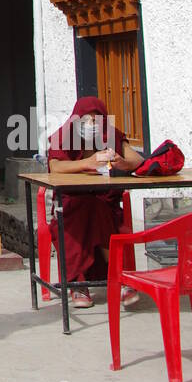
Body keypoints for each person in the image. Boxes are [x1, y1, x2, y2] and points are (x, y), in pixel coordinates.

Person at [47, 96, 143, 308]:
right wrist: (88, 162)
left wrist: (122, 161)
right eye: (86, 119)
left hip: (105, 202)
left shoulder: (111, 135)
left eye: (96, 119)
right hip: (72, 204)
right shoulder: (64, 136)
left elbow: (138, 161)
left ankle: (80, 284)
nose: (91, 124)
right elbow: (55, 167)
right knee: (88, 210)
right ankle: (119, 277)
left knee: (98, 209)